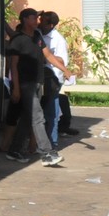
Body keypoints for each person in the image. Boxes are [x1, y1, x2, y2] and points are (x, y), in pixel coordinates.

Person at [4, 8, 70, 166]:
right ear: (26, 19)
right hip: (25, 85)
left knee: (28, 118)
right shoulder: (17, 40)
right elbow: (13, 65)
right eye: (34, 18)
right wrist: (16, 88)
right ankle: (47, 153)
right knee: (37, 116)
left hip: (37, 83)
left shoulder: (37, 36)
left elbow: (48, 56)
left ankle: (14, 150)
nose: (37, 22)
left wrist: (65, 70)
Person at [40, 11, 70, 148]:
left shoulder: (58, 40)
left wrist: (47, 56)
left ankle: (53, 141)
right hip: (40, 77)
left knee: (51, 112)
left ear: (51, 25)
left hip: (52, 79)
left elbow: (62, 61)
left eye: (43, 21)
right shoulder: (38, 34)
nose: (40, 22)